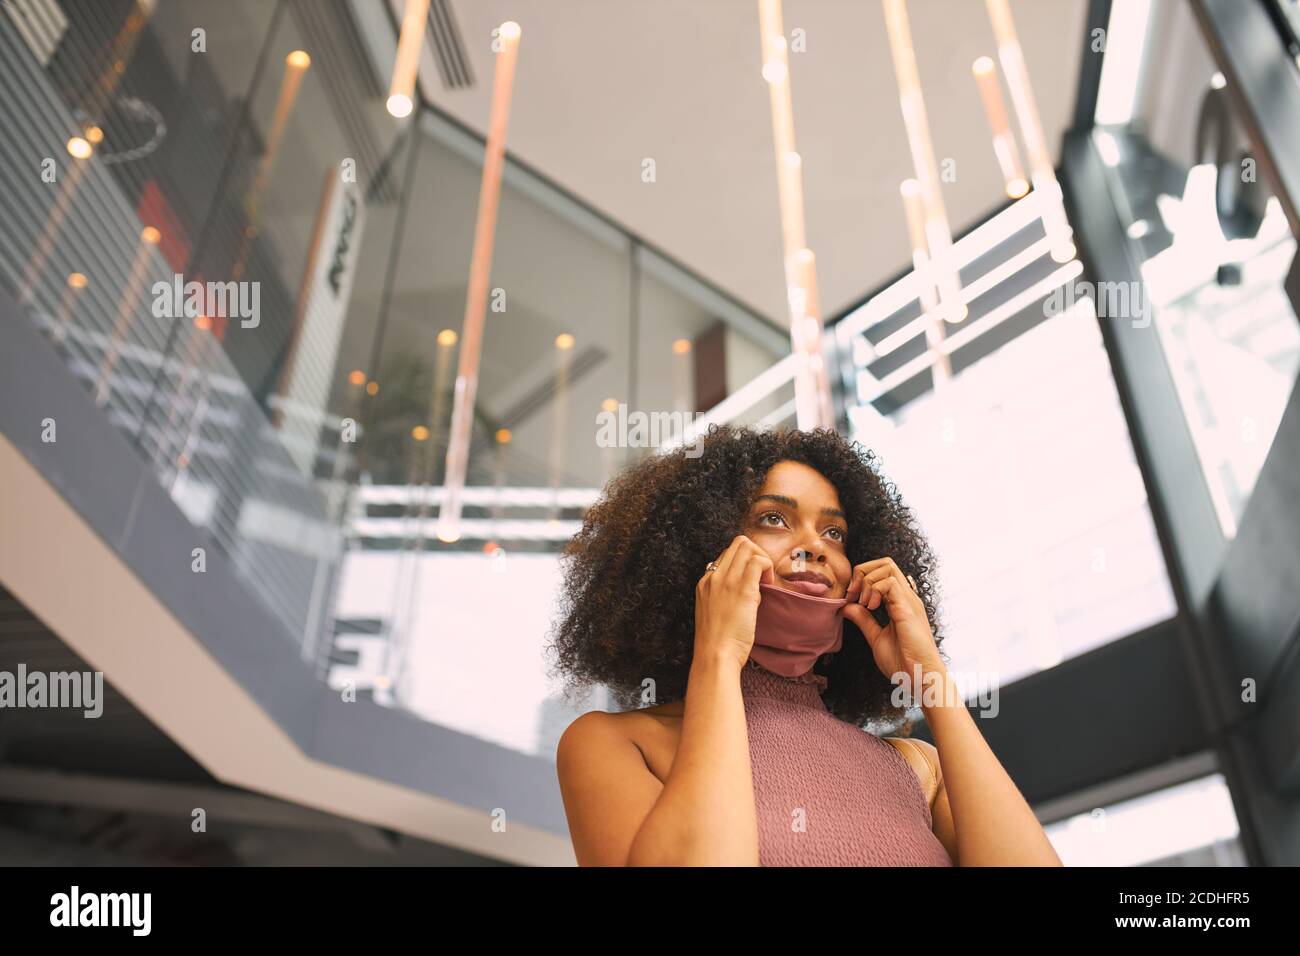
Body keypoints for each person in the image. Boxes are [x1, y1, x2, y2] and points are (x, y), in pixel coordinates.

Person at [550, 425, 1061, 867]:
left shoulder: (917, 768)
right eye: (774, 518)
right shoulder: (617, 744)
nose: (816, 546)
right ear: (704, 550)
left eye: (834, 532)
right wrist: (719, 655)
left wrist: (928, 677)